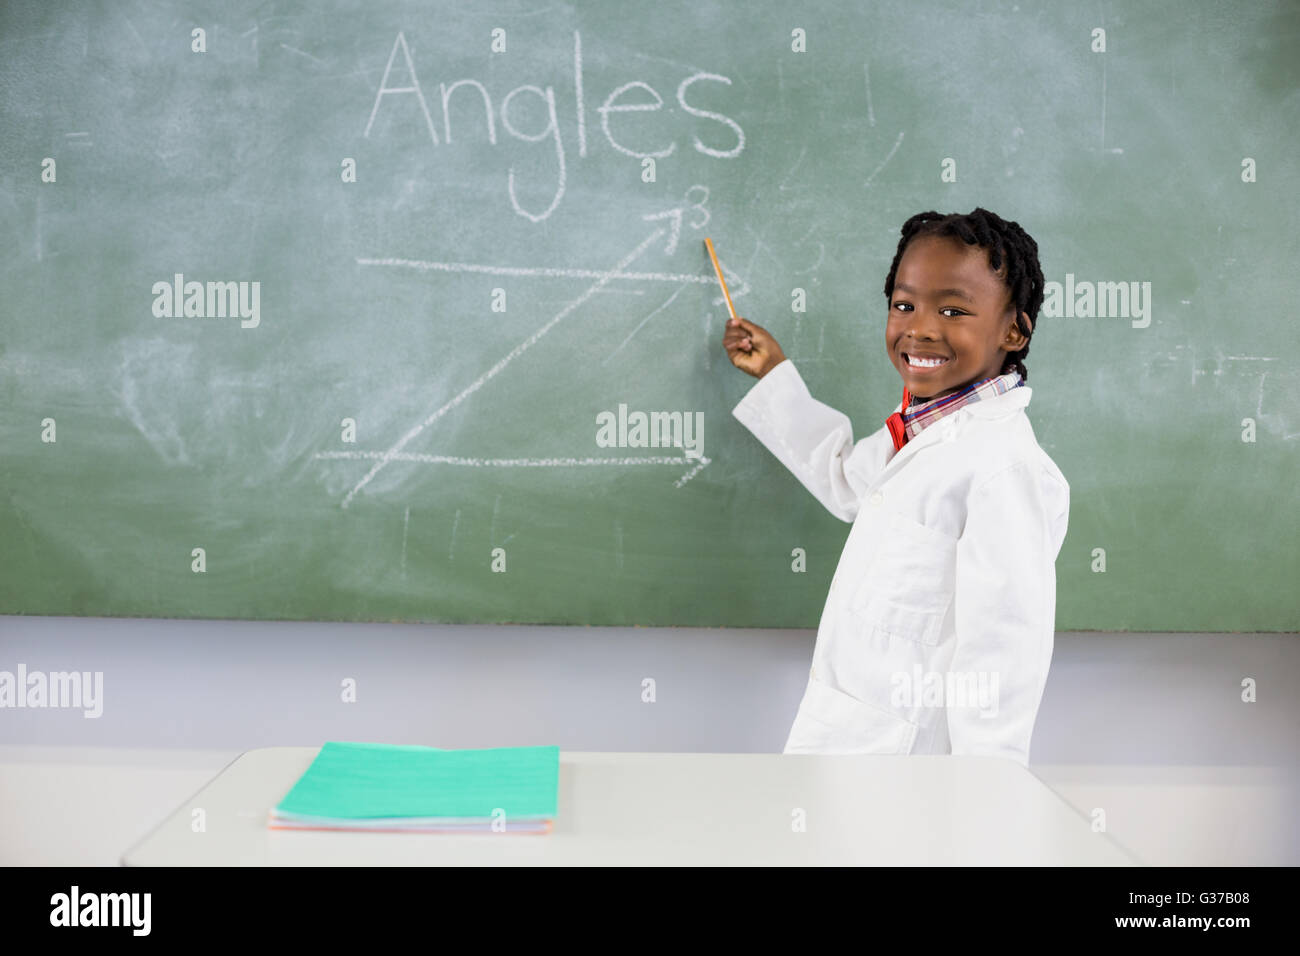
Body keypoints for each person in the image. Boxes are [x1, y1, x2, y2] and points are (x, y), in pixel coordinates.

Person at [723, 208, 1069, 766]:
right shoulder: (920, 426)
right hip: (844, 743)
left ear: (1015, 329)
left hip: (911, 769)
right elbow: (848, 482)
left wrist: (990, 790)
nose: (920, 328)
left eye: (952, 309)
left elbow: (1003, 656)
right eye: (903, 304)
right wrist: (775, 377)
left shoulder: (1004, 469)